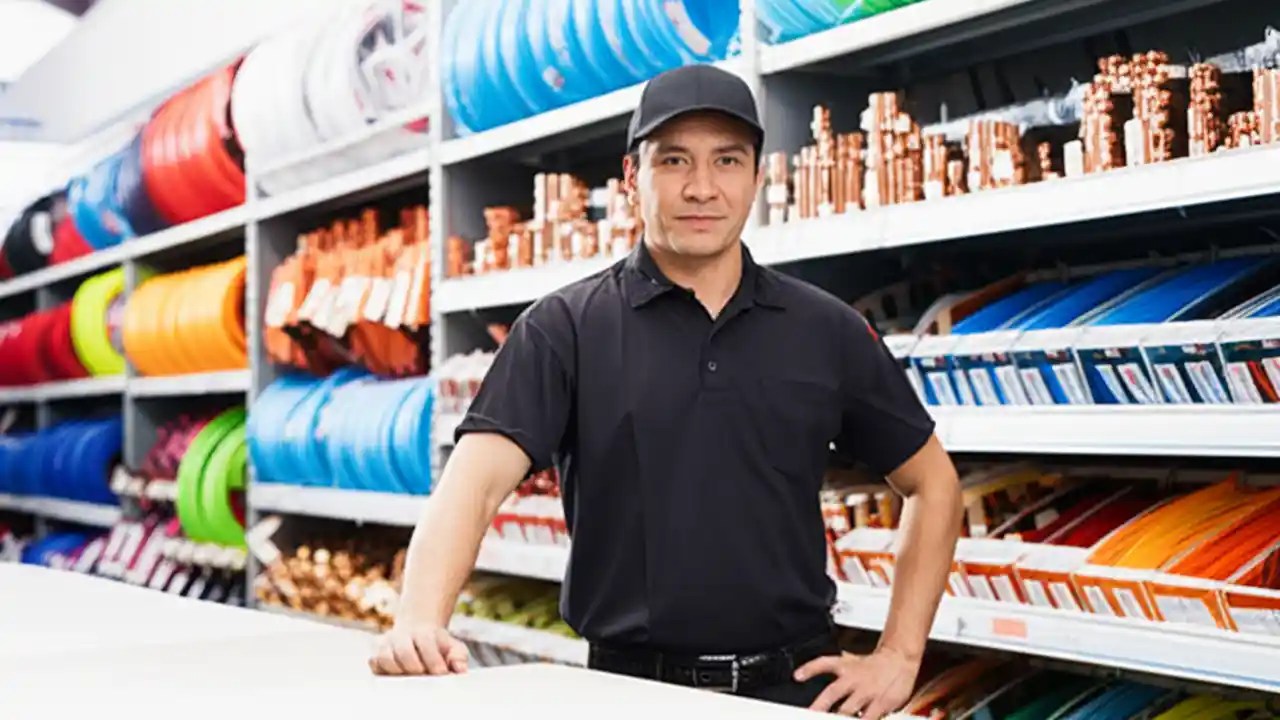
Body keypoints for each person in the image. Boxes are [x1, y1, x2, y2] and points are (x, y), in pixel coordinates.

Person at [369, 64, 963, 717]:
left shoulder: (828, 330)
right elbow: (473, 487)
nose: (702, 187)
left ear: (758, 177)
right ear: (631, 179)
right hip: (626, 692)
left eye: (727, 161)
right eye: (674, 160)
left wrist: (900, 656)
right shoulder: (564, 328)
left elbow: (933, 485)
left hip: (793, 694)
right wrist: (419, 622)